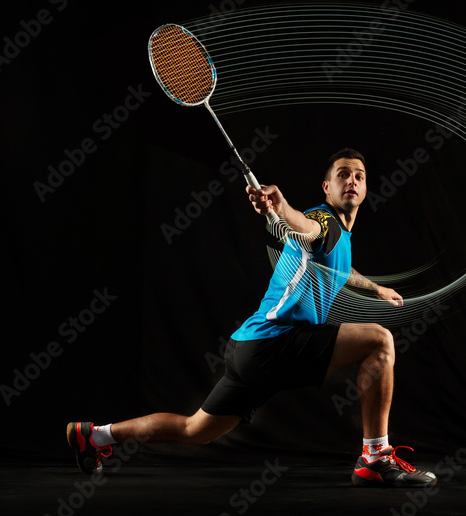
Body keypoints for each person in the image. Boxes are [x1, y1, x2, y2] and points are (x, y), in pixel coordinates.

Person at [67, 148, 436, 487]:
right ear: (327, 186)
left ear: (367, 187)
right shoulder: (323, 220)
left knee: (195, 429)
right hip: (273, 342)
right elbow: (306, 228)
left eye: (359, 175)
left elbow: (339, 267)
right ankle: (374, 458)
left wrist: (375, 288)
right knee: (379, 341)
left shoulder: (340, 239)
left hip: (249, 347)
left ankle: (95, 434)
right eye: (343, 174)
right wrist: (283, 209)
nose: (352, 180)